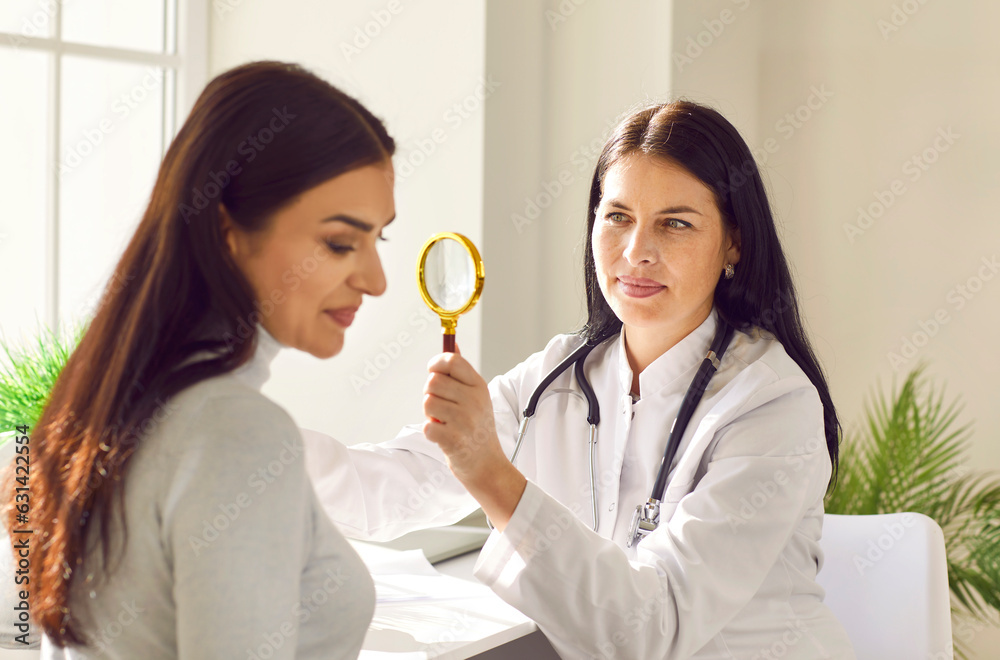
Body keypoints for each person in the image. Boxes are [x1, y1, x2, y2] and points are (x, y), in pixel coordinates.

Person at [303, 101, 857, 659]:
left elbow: (650, 630)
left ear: (733, 241)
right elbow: (391, 488)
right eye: (617, 216)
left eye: (675, 223)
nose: (636, 251)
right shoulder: (557, 378)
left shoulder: (770, 405)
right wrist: (255, 442)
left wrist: (491, 475)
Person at [3, 60, 396, 659]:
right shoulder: (237, 432)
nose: (375, 280)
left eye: (378, 240)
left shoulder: (104, 406)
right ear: (228, 229)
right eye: (340, 243)